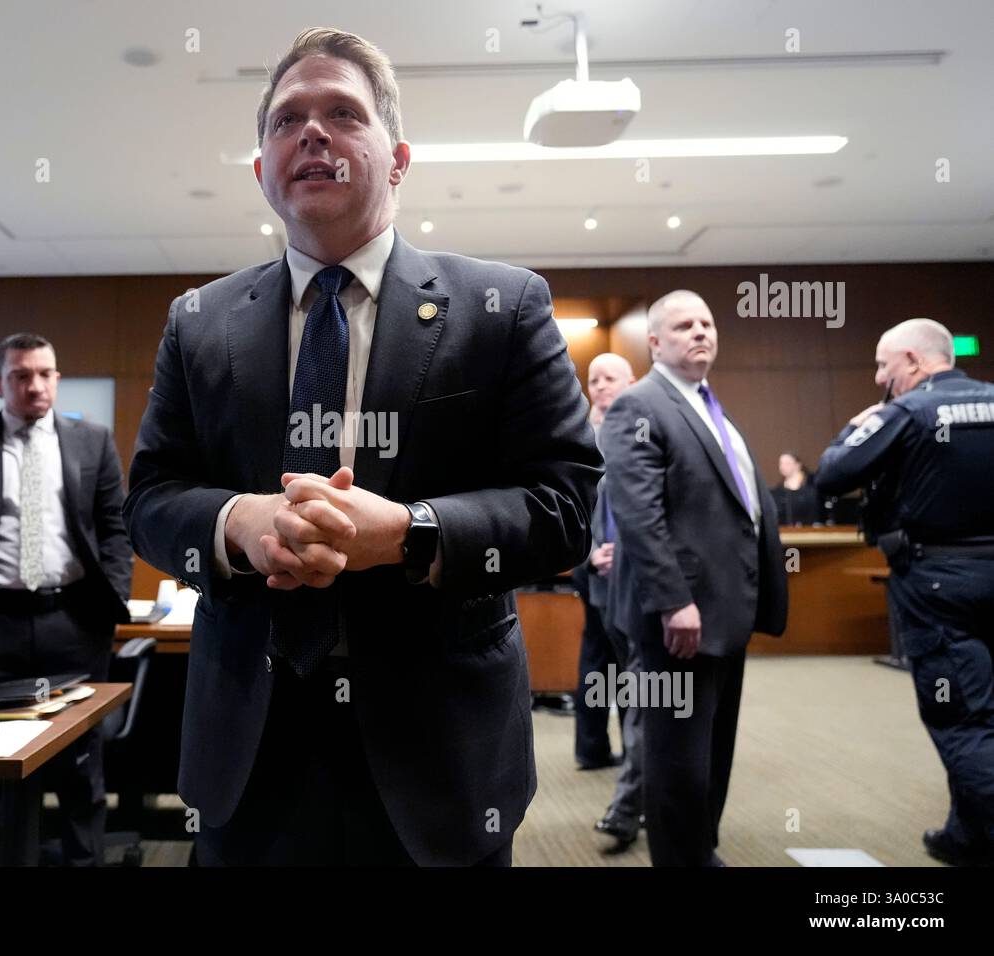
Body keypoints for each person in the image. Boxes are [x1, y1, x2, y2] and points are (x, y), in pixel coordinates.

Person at [125, 28, 601, 866]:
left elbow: (564, 508)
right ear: (262, 171)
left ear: (398, 158)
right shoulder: (197, 322)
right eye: (286, 120)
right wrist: (240, 523)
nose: (311, 133)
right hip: (248, 747)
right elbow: (151, 501)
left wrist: (412, 534)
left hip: (441, 752)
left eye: (342, 113)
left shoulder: (504, 305)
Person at [0, 333, 134, 865]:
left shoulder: (92, 441)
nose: (35, 385)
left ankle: (85, 862)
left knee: (82, 767)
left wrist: (112, 600)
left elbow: (115, 529)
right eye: (21, 375)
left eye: (45, 373)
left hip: (73, 623)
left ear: (57, 377)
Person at [601, 290, 788, 866]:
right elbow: (639, 515)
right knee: (679, 760)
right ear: (654, 341)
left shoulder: (707, 404)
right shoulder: (640, 406)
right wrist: (674, 601)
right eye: (684, 325)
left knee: (713, 750)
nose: (701, 332)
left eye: (707, 323)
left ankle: (700, 850)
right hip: (679, 619)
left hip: (726, 611)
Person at [816, 317, 994, 867]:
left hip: (939, 585)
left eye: (883, 365)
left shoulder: (907, 412)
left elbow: (832, 473)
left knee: (961, 717)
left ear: (914, 362)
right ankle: (966, 835)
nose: (879, 376)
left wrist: (856, 425)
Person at [576, 353, 646, 850]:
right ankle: (596, 752)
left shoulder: (645, 429)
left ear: (632, 382)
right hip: (595, 576)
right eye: (593, 379)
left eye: (609, 378)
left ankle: (633, 771)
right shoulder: (579, 434)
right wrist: (587, 554)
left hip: (641, 576)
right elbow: (572, 503)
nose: (600, 387)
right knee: (601, 665)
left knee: (638, 679)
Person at [771, 452, 823, 525]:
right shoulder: (778, 491)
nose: (782, 467)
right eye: (781, 463)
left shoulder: (811, 488)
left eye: (787, 463)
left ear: (797, 465)